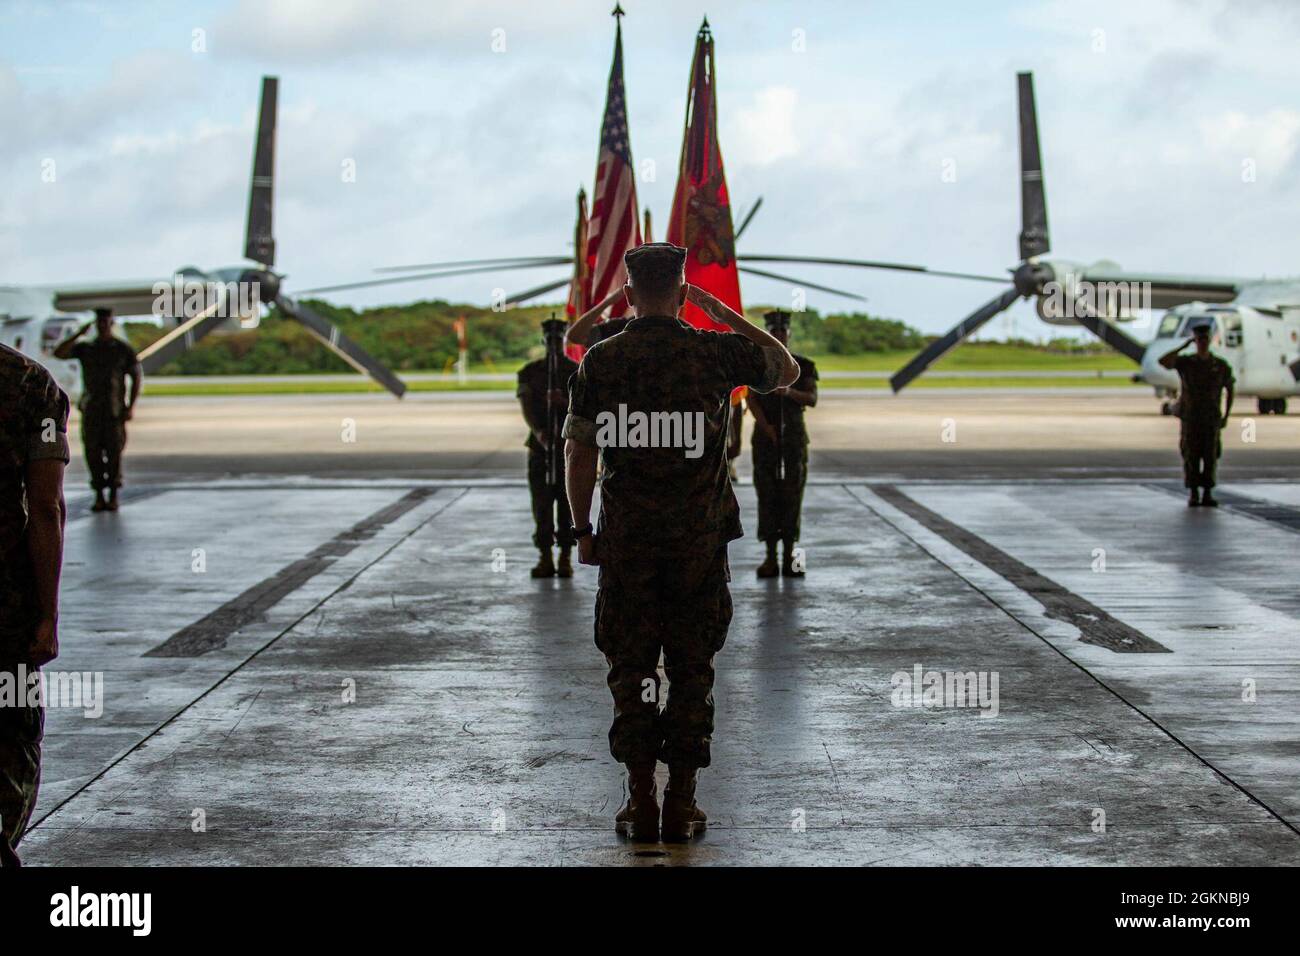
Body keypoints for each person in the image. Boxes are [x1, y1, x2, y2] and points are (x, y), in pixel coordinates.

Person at [563, 242, 798, 842]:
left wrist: (582, 528)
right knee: (692, 668)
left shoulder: (603, 359)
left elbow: (580, 449)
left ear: (629, 290)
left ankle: (640, 801)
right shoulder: (714, 351)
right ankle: (682, 802)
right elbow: (785, 370)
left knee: (633, 667)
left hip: (627, 542)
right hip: (697, 544)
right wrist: (723, 315)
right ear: (684, 287)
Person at [0, 342, 69, 867]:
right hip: (10, 608)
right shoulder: (32, 382)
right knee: (13, 734)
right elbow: (45, 507)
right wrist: (47, 615)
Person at [746, 310, 819, 576]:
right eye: (773, 331)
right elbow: (750, 399)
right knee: (766, 495)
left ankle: (790, 556)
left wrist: (789, 392)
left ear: (789, 333)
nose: (778, 335)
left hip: (793, 440)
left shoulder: (803, 366)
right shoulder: (759, 365)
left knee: (792, 495)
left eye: (782, 331)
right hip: (766, 440)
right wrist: (766, 427)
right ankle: (770, 558)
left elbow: (811, 398)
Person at [54, 308, 141, 512]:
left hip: (114, 411)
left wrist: (130, 405)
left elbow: (136, 376)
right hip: (92, 409)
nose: (103, 325)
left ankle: (113, 495)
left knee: (114, 454)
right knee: (92, 455)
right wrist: (77, 334)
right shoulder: (86, 348)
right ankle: (99, 496)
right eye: (99, 322)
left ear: (111, 323)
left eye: (106, 321)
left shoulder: (122, 349)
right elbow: (60, 353)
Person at [517, 319, 580, 577]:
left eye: (558, 340)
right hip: (541, 448)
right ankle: (545, 556)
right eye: (550, 340)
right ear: (544, 340)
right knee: (541, 505)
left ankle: (565, 556)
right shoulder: (529, 372)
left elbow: (583, 406)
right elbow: (526, 406)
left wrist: (563, 401)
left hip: (566, 447)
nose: (553, 345)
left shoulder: (575, 371)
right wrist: (540, 432)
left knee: (566, 504)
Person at [1159, 318, 1234, 507]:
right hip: (1191, 417)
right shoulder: (1186, 362)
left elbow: (1230, 389)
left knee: (1210, 456)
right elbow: (1163, 361)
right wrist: (1183, 345)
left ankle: (1207, 492)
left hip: (1210, 417)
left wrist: (1226, 415)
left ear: (1209, 341)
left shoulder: (1220, 365)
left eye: (1204, 339)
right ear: (1195, 341)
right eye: (1199, 339)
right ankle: (1193, 493)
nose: (1202, 343)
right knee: (1191, 456)